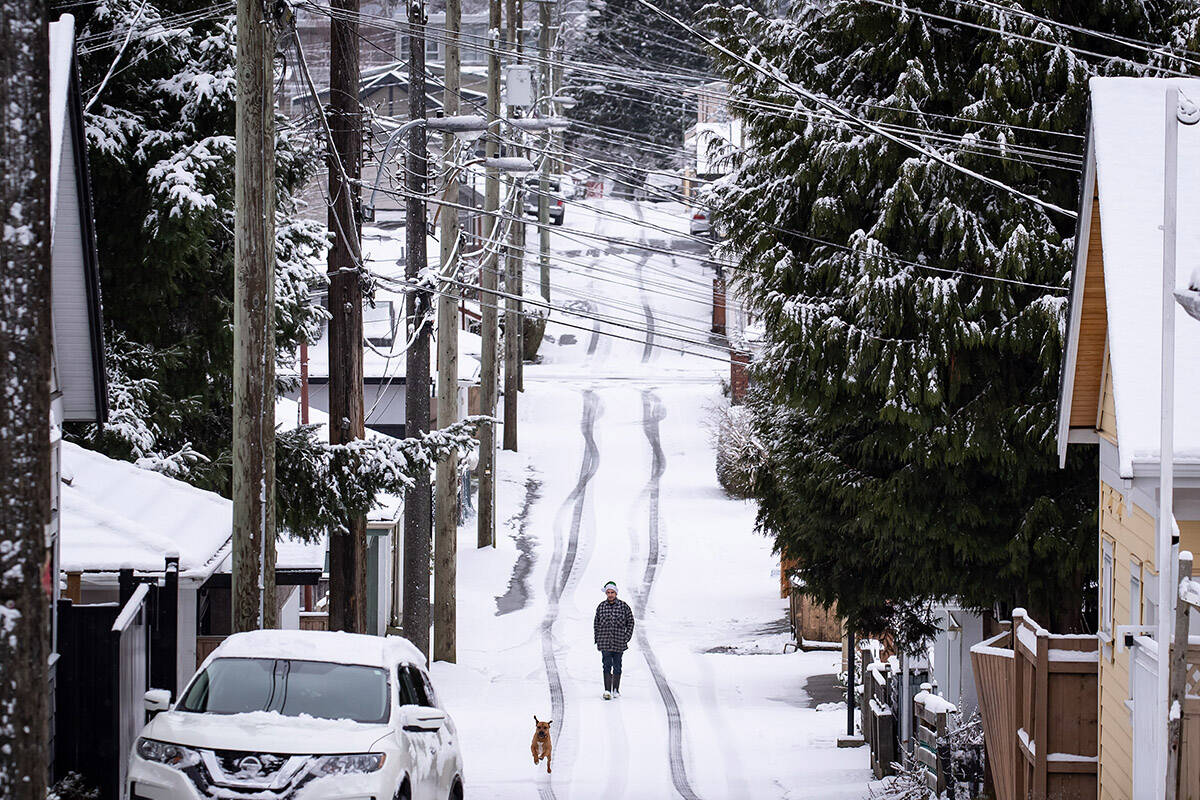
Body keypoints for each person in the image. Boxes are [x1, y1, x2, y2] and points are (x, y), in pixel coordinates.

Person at [593, 581, 634, 700]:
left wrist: (626, 637)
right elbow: (596, 623)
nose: (610, 595)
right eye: (608, 592)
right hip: (605, 642)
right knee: (606, 665)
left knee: (617, 666)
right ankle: (607, 690)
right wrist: (598, 638)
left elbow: (630, 622)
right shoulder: (601, 606)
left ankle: (616, 689)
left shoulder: (624, 606)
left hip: (619, 642)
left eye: (612, 592)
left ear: (616, 593)